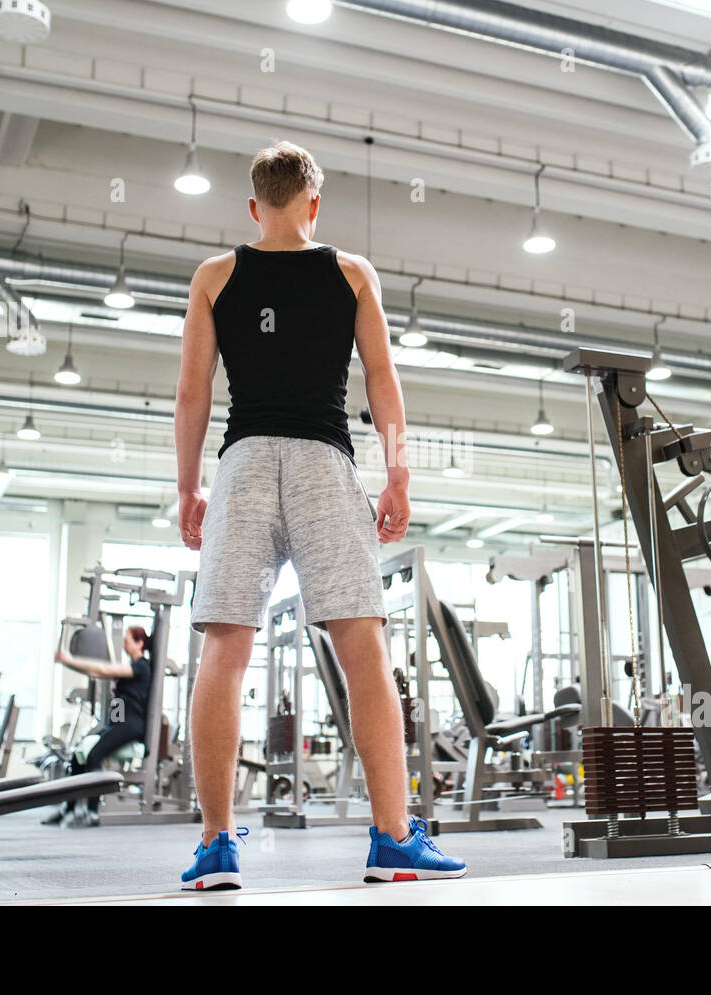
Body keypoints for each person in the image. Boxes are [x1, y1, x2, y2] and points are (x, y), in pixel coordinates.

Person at [174, 141, 465, 890]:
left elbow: (192, 396)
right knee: (363, 649)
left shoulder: (214, 276)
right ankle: (394, 840)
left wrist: (187, 489)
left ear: (252, 207)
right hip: (322, 462)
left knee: (225, 651)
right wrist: (399, 474)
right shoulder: (351, 272)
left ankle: (215, 847)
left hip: (241, 464)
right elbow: (382, 382)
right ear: (314, 203)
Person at [49, 625, 153, 827]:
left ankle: (91, 812)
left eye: (127, 640)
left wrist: (68, 659)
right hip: (118, 722)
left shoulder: (141, 666)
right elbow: (95, 672)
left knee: (94, 755)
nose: (124, 644)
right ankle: (68, 809)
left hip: (131, 725)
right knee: (78, 756)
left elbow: (104, 669)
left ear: (140, 643)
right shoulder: (128, 667)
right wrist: (66, 662)